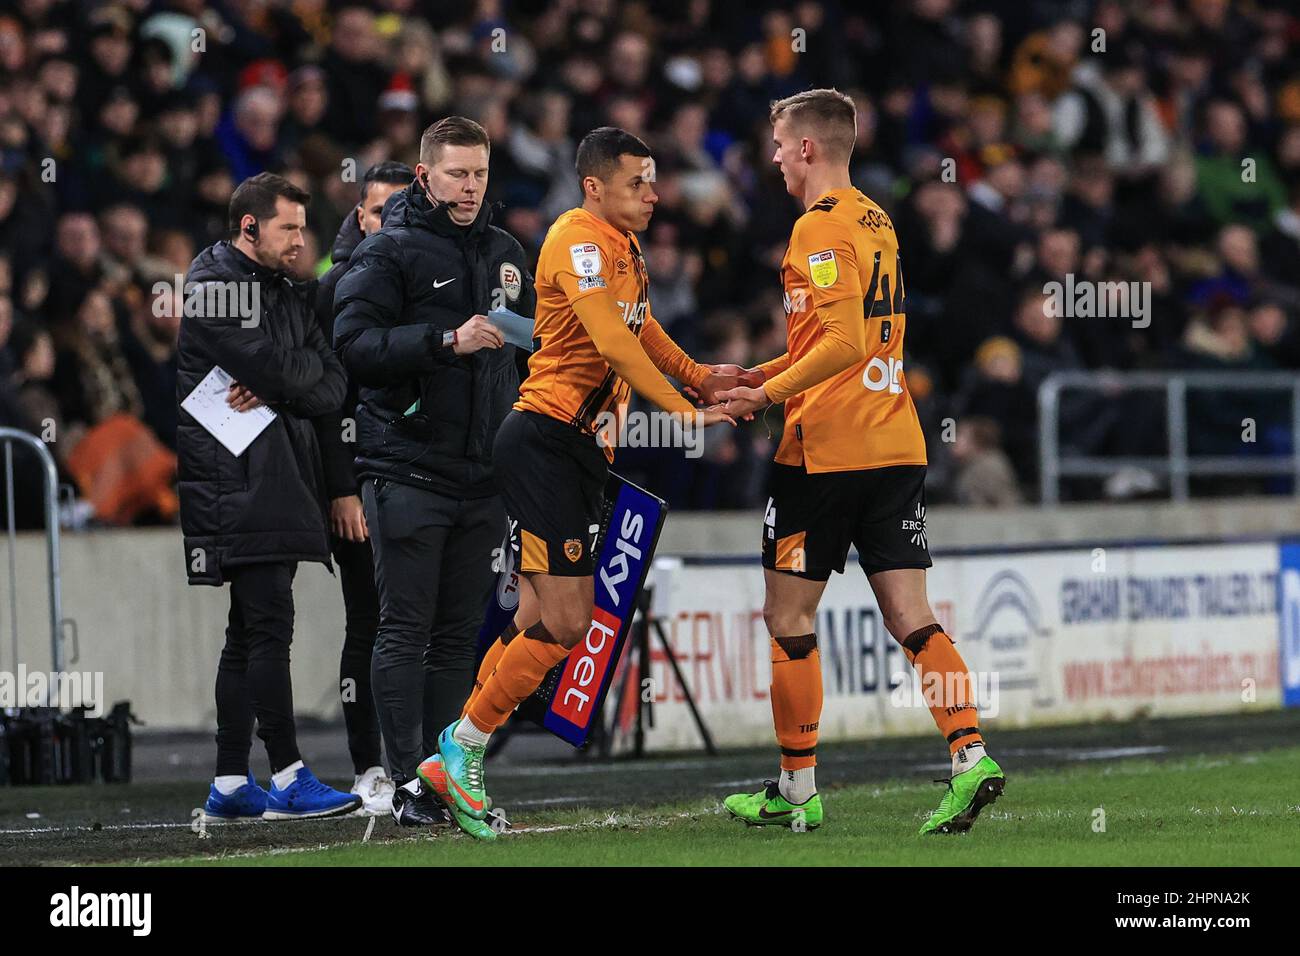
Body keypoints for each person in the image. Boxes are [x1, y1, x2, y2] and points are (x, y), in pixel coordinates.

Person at [421, 126, 747, 841]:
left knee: (534, 616)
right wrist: (685, 412)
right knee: (570, 623)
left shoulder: (623, 247)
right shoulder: (576, 238)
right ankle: (464, 746)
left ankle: (450, 761)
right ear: (595, 186)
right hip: (546, 443)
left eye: (656, 181)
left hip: (569, 451)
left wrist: (700, 375)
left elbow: (642, 326)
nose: (656, 195)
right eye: (640, 183)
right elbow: (610, 341)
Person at [715, 89, 1006, 834]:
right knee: (912, 615)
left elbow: (842, 343)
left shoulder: (814, 228)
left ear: (808, 148)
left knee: (788, 618)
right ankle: (970, 756)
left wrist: (766, 394)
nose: (775, 156)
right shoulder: (875, 219)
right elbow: (852, 337)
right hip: (895, 439)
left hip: (827, 450)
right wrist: (764, 370)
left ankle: (797, 788)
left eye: (780, 144)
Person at [333, 118, 533, 827]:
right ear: (425, 176)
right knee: (404, 629)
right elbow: (351, 344)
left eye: (479, 172)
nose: (471, 185)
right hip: (407, 470)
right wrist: (445, 341)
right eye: (456, 173)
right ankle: (403, 781)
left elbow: (531, 352)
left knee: (456, 638)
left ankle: (441, 780)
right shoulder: (389, 252)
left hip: (482, 477)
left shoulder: (508, 254)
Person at [179, 172, 360, 821]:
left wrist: (284, 381)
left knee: (246, 632)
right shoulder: (212, 285)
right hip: (238, 481)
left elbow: (331, 384)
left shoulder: (287, 290)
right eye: (287, 227)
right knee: (268, 629)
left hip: (275, 476)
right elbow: (286, 370)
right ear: (248, 227)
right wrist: (288, 379)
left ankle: (230, 782)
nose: (300, 239)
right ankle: (287, 774)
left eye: (303, 227)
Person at [313, 160, 412, 816]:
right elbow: (323, 400)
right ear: (360, 216)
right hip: (360, 477)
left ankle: (421, 765)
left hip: (419, 474)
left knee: (418, 626)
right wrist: (341, 489)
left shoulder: (430, 274)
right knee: (369, 620)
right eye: (379, 213)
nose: (389, 225)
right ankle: (367, 767)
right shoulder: (332, 289)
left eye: (400, 212)